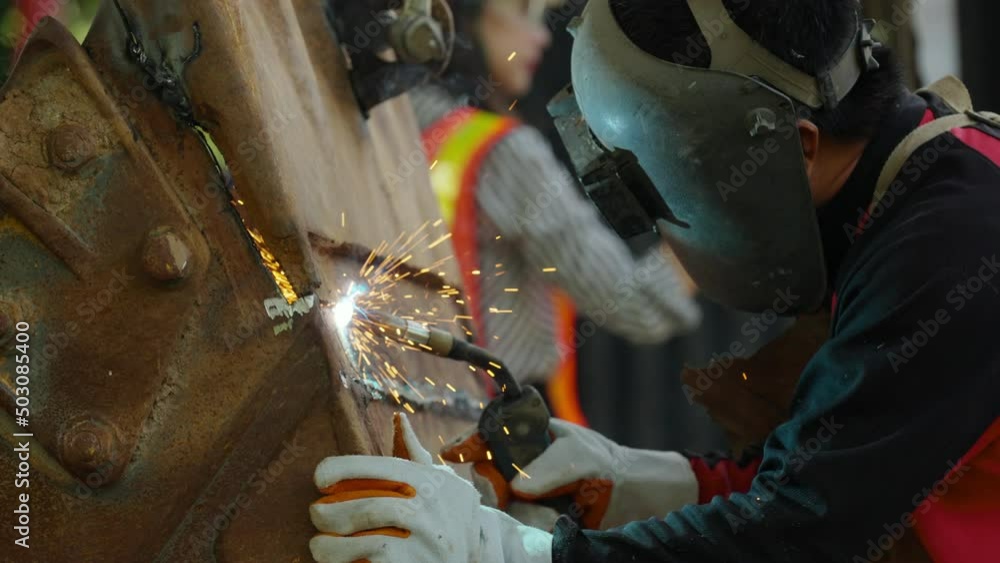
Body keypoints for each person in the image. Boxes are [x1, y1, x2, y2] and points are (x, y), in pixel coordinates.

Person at [306, 0, 1000, 562]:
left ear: (793, 143)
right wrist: (635, 481)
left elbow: (800, 530)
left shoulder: (949, 245)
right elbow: (816, 476)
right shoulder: (920, 185)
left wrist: (505, 550)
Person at [412, 0, 702, 424]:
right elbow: (638, 304)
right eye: (521, 10)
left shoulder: (393, 121)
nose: (543, 35)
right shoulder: (506, 154)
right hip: (497, 434)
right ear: (457, 13)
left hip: (417, 407)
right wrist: (713, 234)